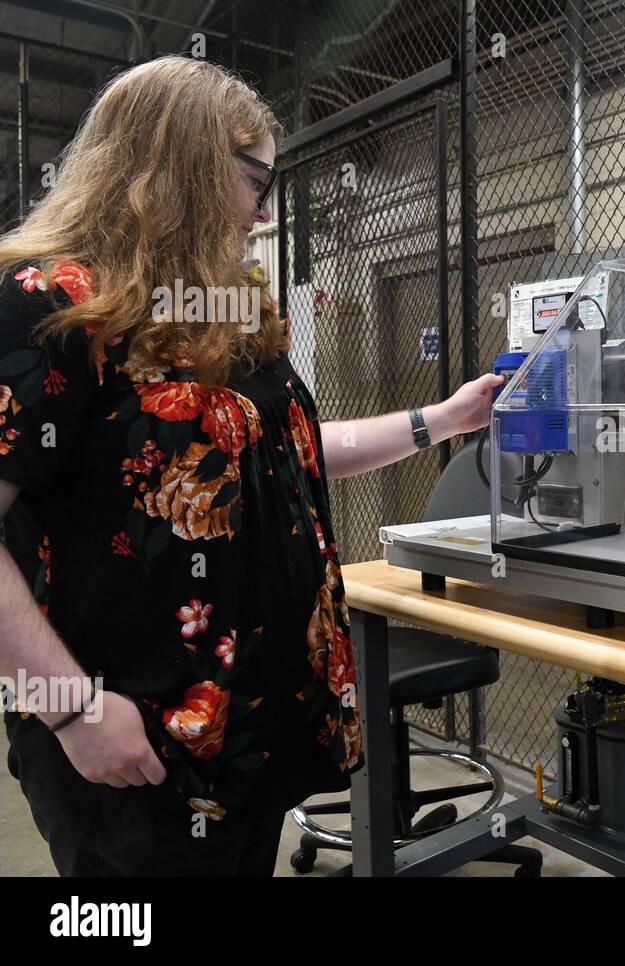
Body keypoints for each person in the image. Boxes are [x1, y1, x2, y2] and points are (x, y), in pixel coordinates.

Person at [0, 55, 503, 876]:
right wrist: (72, 709)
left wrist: (440, 419)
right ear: (184, 169)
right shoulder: (55, 300)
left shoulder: (219, 308)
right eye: (254, 180)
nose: (263, 211)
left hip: (257, 731)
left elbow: (290, 457)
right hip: (135, 738)